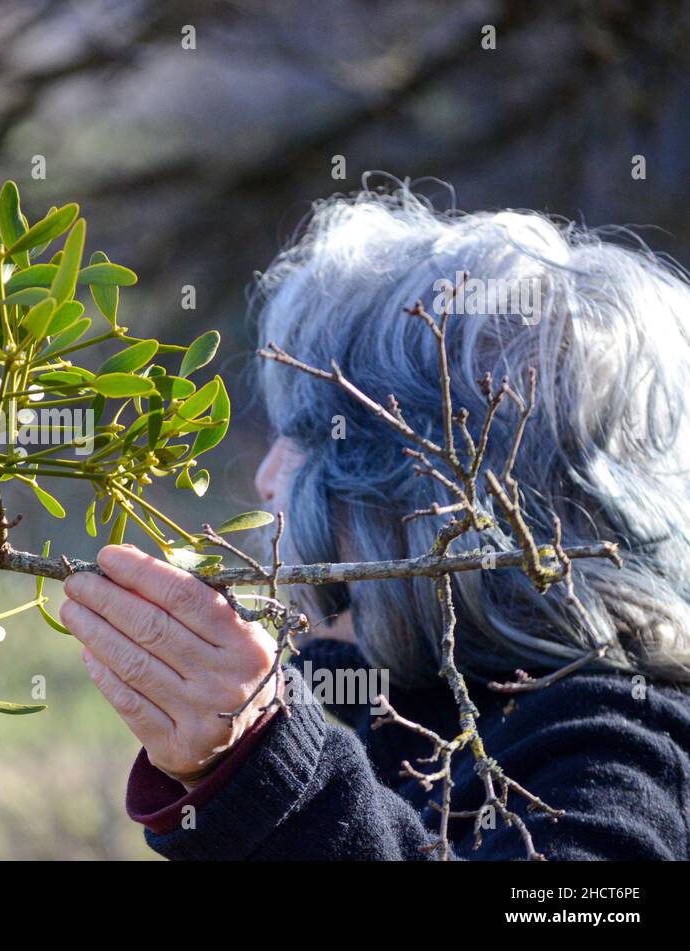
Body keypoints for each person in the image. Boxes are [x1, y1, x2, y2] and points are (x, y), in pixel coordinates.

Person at [60, 183, 690, 860]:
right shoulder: (416, 717)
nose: (268, 476)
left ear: (437, 492)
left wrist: (279, 780)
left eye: (309, 434)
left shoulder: (623, 755)